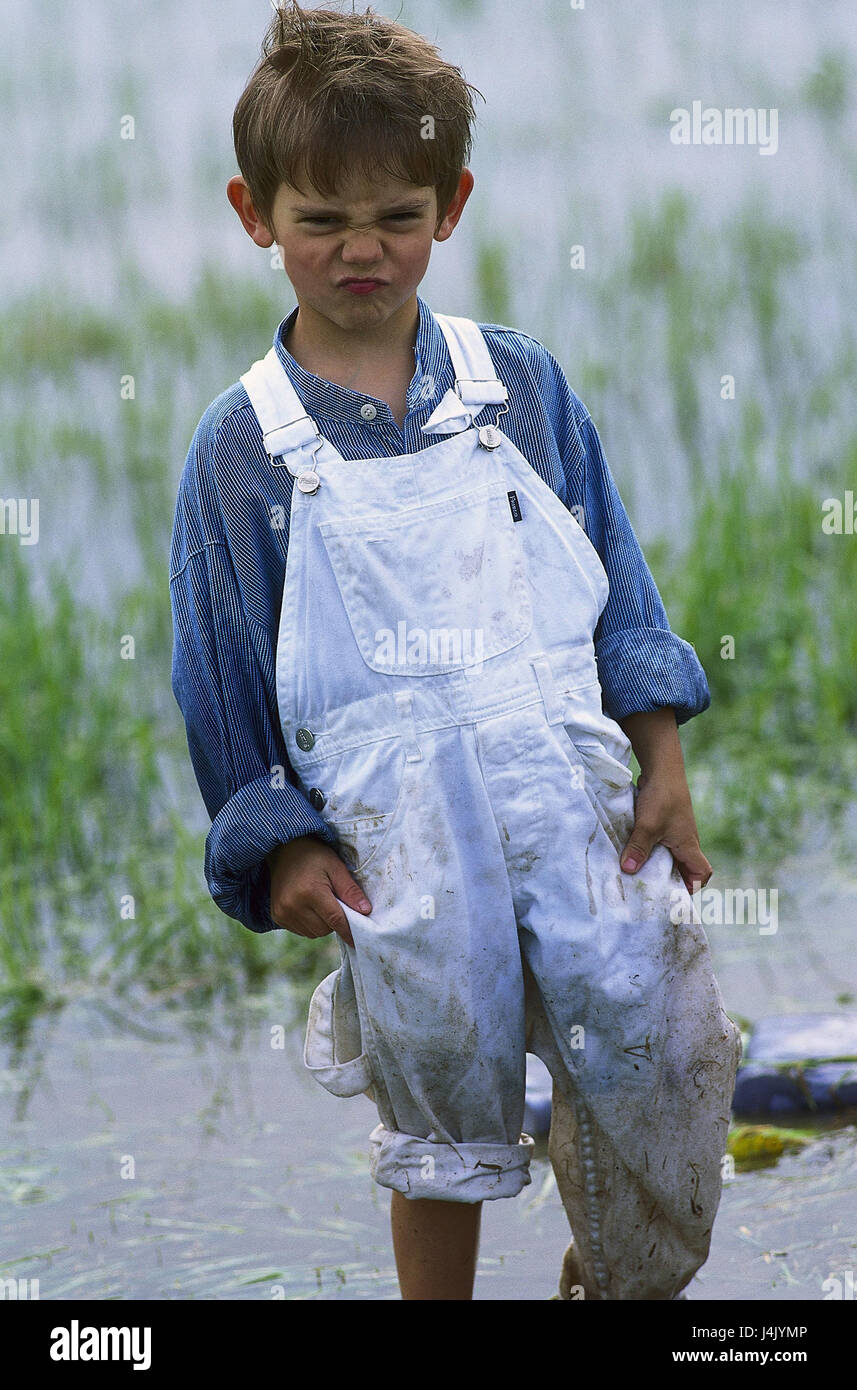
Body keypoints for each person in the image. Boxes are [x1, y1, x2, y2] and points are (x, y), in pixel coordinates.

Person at [169, 1, 741, 1301]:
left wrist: (660, 755)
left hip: (564, 787)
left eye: (396, 216)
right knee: (442, 1102)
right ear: (254, 215)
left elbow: (615, 583)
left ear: (452, 202)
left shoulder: (517, 386)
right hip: (400, 833)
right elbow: (217, 672)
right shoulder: (244, 447)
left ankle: (608, 1277)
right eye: (319, 221)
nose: (361, 249)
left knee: (658, 1035)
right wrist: (281, 842)